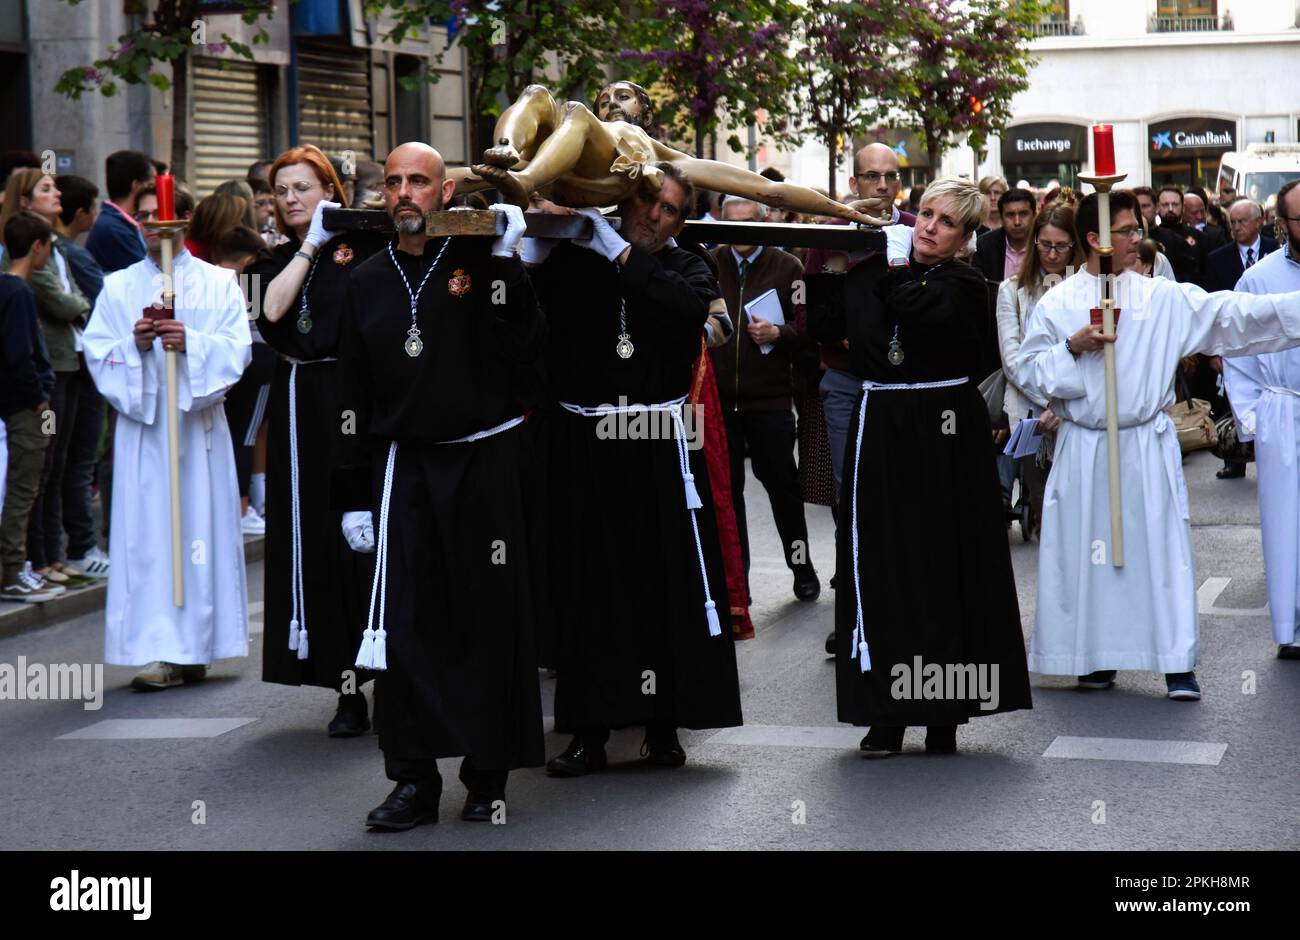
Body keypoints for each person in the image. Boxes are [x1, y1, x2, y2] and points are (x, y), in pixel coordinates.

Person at [333, 142, 544, 829]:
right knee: (407, 627)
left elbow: (530, 353)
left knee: (488, 618)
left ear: (444, 193)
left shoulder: (479, 264)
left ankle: (487, 776)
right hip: (405, 470)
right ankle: (413, 782)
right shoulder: (364, 279)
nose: (402, 193)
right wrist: (351, 499)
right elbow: (354, 394)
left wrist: (509, 263)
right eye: (392, 181)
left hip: (482, 464)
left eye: (417, 181)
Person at [1017, 190, 1300, 701]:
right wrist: (1072, 347)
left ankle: (1174, 662)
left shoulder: (1159, 297)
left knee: (1160, 555)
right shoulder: (1057, 304)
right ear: (1095, 239)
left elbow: (1234, 316)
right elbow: (1032, 375)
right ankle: (1094, 655)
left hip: (1144, 442)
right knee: (1090, 555)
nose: (1137, 238)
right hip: (1086, 447)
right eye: (1127, 231)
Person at [527, 160, 743, 777]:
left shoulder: (689, 265)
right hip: (586, 446)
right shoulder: (576, 258)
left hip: (656, 446)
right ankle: (587, 733)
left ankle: (663, 726)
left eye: (670, 209)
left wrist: (621, 254)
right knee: (589, 589)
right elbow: (529, 322)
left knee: (661, 586)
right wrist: (537, 248)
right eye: (648, 201)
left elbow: (682, 314)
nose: (654, 216)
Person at [805, 177, 1032, 756]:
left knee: (942, 563)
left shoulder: (967, 284)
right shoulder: (877, 271)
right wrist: (830, 258)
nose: (928, 227)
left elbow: (920, 309)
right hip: (881, 421)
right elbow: (826, 329)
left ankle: (943, 715)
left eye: (944, 222)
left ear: (964, 238)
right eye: (924, 214)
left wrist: (893, 261)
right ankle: (884, 712)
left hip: (943, 431)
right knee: (885, 561)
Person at [83, 181, 252, 690]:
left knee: (198, 536)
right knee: (149, 541)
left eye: (171, 221)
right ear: (141, 224)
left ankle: (197, 643)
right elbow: (97, 350)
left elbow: (236, 349)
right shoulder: (118, 287)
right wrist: (133, 346)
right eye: (151, 221)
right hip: (146, 432)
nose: (161, 232)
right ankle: (159, 647)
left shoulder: (218, 284)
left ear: (185, 222)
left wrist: (191, 343)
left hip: (195, 431)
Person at [251, 143, 388, 735]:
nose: (290, 199)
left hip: (358, 401)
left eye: (303, 187)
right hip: (301, 404)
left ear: (331, 190)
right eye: (282, 191)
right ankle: (346, 689)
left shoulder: (366, 251)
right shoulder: (269, 262)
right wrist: (310, 244)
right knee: (315, 538)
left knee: (366, 536)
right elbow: (273, 313)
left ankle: (393, 664)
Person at [709, 196, 819, 602]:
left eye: (748, 224)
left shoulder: (787, 266)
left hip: (770, 399)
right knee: (728, 493)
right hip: (720, 402)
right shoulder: (710, 261)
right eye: (731, 224)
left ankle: (802, 566)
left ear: (765, 220)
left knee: (783, 490)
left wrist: (780, 333)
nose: (739, 235)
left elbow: (807, 329)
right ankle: (738, 582)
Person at [1, 170, 94, 593]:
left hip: (67, 367)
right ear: (23, 201)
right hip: (46, 381)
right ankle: (33, 559)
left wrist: (76, 305)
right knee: (39, 468)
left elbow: (74, 294)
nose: (56, 193)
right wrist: (38, 396)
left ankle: (52, 555)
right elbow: (61, 300)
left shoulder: (55, 246)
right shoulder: (21, 276)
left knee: (54, 465)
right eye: (45, 188)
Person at [1223, 179, 1300, 659]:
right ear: (1284, 224)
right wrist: (1253, 420)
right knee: (1285, 518)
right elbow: (1238, 351)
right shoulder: (1259, 279)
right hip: (1283, 409)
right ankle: (1291, 624)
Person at [996, 203, 1082, 538]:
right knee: (1046, 505)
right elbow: (1013, 360)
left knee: (1082, 508)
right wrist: (1050, 401)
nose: (1052, 253)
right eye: (1045, 244)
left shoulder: (1087, 289)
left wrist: (1063, 404)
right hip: (1031, 412)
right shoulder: (1012, 290)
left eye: (1061, 246)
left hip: (1078, 410)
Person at [53, 175, 111, 582]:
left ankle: (70, 548)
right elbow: (91, 303)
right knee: (74, 459)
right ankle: (77, 547)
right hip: (71, 366)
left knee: (77, 458)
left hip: (78, 364)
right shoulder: (61, 251)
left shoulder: (67, 251)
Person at [0, 212, 60, 602]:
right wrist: (40, 401)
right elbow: (20, 356)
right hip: (28, 408)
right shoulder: (19, 293)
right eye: (48, 248)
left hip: (21, 405)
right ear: (37, 247)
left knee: (27, 483)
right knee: (25, 487)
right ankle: (13, 571)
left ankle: (19, 566)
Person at [212, 225, 276, 535]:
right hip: (258, 356)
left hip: (224, 361)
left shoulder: (209, 277)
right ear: (250, 259)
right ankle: (242, 505)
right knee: (247, 434)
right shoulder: (249, 279)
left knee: (234, 431)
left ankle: (238, 503)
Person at [84, 151, 155, 274]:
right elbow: (147, 274)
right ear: (136, 185)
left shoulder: (120, 224)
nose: (154, 190)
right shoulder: (114, 229)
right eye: (151, 184)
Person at [974, 187, 1035, 283]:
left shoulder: (1044, 243)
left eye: (1023, 214)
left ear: (1034, 216)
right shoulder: (984, 245)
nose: (1017, 222)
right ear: (1001, 218)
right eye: (1010, 215)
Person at [1152, 186, 1208, 286]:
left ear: (1183, 206)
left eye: (1175, 204)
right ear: (1157, 207)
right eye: (1165, 205)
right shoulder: (1151, 238)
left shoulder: (1198, 236)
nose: (1170, 209)